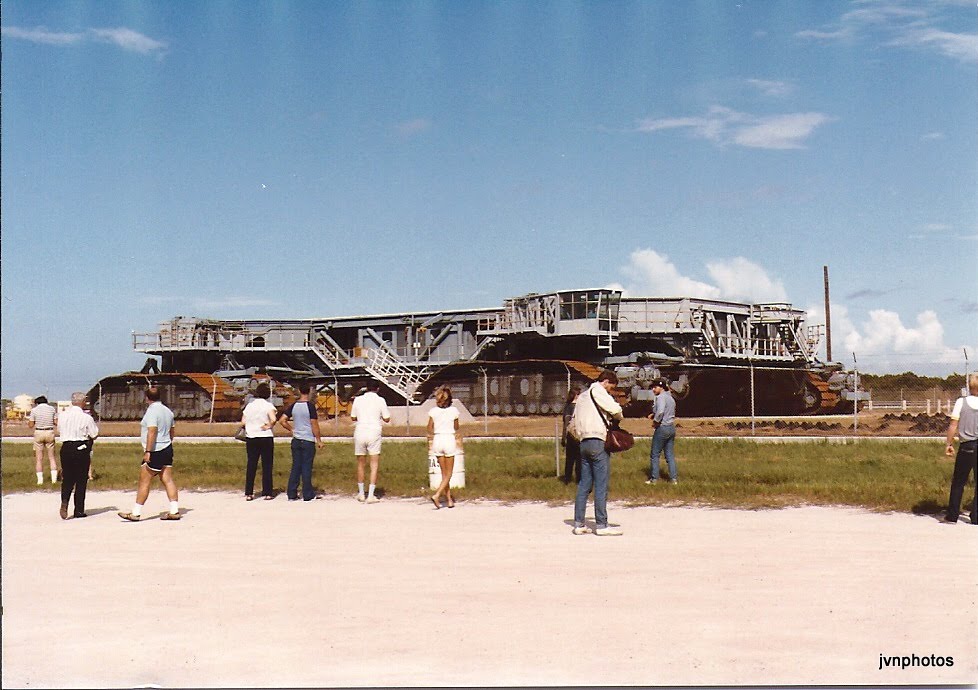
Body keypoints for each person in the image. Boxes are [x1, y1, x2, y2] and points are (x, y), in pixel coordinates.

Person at [571, 371, 624, 536]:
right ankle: (601, 525)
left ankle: (579, 524)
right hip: (597, 441)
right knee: (601, 484)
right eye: (610, 387)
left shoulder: (582, 397)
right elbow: (616, 409)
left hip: (583, 442)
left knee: (584, 484)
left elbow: (573, 421)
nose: (610, 391)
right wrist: (618, 415)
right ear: (606, 381)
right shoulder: (598, 391)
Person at [119, 387, 181, 521]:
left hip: (155, 450)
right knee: (167, 479)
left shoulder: (152, 412)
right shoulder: (168, 411)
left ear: (147, 398)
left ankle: (136, 512)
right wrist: (167, 442)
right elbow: (172, 431)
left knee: (144, 481)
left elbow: (152, 431)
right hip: (167, 448)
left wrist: (148, 451)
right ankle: (174, 510)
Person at [278, 382, 323, 502]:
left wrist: (291, 429)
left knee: (296, 466)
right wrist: (318, 440)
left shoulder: (294, 405)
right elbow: (314, 424)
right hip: (307, 439)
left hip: (296, 439)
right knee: (306, 467)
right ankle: (308, 494)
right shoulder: (310, 406)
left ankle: (292, 493)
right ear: (309, 391)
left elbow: (282, 420)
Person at [943, 373, 978, 525]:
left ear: (969, 386)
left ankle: (952, 516)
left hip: (966, 446)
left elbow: (953, 425)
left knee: (958, 482)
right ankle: (976, 516)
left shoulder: (960, 402)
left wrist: (949, 443)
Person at [57, 392, 98, 519]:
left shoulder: (62, 416)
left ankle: (64, 501)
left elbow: (59, 430)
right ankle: (79, 510)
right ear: (82, 402)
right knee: (81, 479)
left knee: (68, 477)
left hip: (66, 447)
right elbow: (94, 434)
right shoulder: (86, 417)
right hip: (81, 447)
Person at [350, 379, 391, 503]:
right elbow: (387, 418)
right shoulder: (380, 400)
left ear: (366, 388)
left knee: (361, 464)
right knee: (374, 464)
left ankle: (361, 493)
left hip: (360, 430)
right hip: (374, 431)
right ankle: (371, 495)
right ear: (377, 389)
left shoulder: (358, 400)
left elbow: (353, 417)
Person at [240, 382, 278, 500]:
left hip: (251, 436)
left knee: (251, 464)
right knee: (267, 465)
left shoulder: (250, 406)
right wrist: (269, 425)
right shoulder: (268, 405)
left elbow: (243, 422)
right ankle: (267, 492)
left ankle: (249, 492)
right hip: (265, 436)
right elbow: (273, 418)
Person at [428, 386, 461, 509]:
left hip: (437, 439)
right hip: (448, 439)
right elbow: (456, 427)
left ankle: (449, 500)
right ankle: (437, 495)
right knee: (449, 473)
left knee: (444, 474)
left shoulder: (433, 411)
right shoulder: (454, 411)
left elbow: (429, 427)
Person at [646, 378, 678, 484]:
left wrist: (655, 421)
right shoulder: (670, 398)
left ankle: (654, 479)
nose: (653, 390)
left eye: (655, 387)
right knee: (669, 455)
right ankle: (674, 479)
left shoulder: (660, 398)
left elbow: (660, 412)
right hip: (671, 427)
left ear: (661, 387)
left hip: (662, 428)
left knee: (655, 454)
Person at [28, 395, 58, 485]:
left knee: (39, 458)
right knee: (52, 457)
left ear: (37, 403)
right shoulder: (52, 409)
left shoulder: (34, 410)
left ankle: (40, 481)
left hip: (39, 432)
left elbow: (31, 425)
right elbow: (56, 422)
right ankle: (54, 480)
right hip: (49, 432)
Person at [561, 387, 582, 484]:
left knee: (569, 459)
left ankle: (567, 479)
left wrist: (563, 437)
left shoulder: (567, 406)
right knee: (579, 459)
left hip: (570, 435)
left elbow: (565, 423)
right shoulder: (580, 407)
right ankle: (579, 479)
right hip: (579, 435)